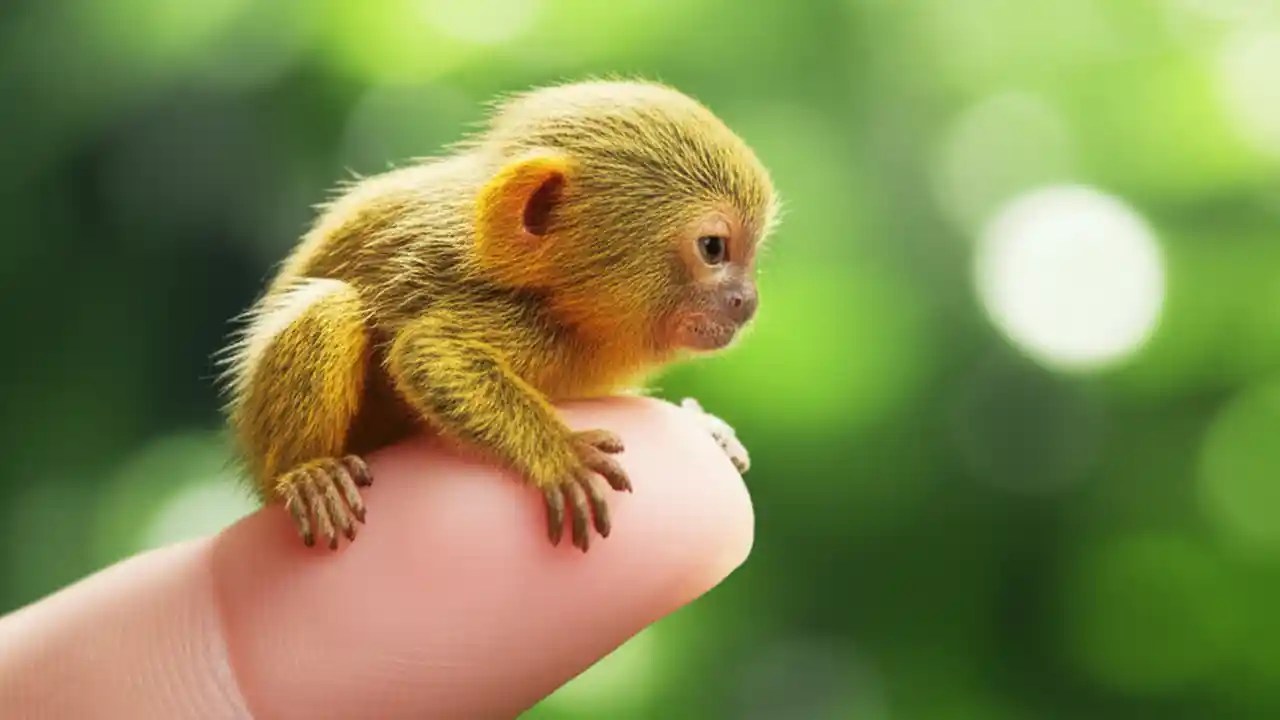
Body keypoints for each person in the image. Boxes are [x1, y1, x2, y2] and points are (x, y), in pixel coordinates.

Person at [0, 398, 754, 718]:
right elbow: (434, 360)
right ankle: (306, 460)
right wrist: (546, 452)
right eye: (713, 255)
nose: (741, 299)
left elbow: (594, 393)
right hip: (340, 425)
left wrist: (677, 433)